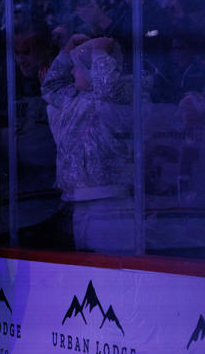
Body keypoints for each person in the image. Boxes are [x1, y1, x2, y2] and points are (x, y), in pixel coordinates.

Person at [41, 35, 135, 254]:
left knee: (108, 269)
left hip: (109, 204)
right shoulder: (75, 99)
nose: (73, 72)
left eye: (78, 66)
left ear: (92, 68)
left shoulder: (115, 99)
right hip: (80, 201)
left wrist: (99, 52)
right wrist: (67, 52)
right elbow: (50, 88)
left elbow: (106, 87)